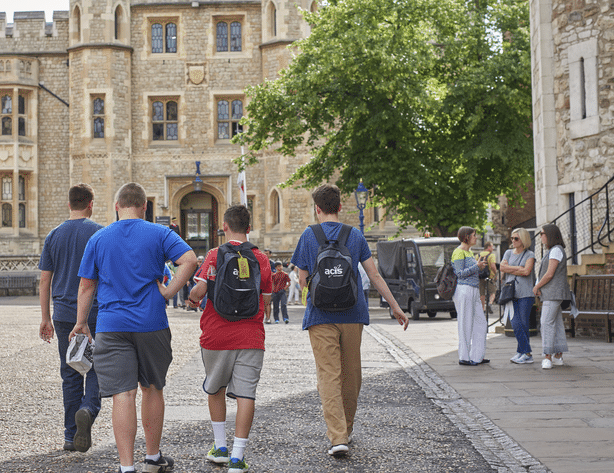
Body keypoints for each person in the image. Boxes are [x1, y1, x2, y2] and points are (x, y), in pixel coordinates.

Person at [71, 182, 197, 473]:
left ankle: (126, 467)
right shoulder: (159, 232)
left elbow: (86, 286)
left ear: (116, 206)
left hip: (112, 325)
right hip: (151, 322)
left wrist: (81, 323)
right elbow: (189, 260)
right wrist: (168, 291)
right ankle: (152, 458)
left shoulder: (99, 238)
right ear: (144, 207)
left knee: (123, 395)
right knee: (152, 388)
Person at [292, 184, 408, 458]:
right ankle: (347, 428)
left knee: (328, 376)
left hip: (320, 316)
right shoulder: (354, 235)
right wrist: (395, 306)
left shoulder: (309, 236)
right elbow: (374, 275)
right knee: (351, 375)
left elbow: (302, 279)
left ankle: (337, 436)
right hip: (353, 313)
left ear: (317, 209)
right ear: (340, 207)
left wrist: (313, 294)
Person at [187, 204, 272, 473]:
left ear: (224, 227)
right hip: (251, 336)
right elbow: (266, 302)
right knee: (246, 394)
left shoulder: (213, 255)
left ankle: (220, 447)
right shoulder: (262, 258)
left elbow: (198, 293)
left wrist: (192, 297)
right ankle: (237, 457)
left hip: (216, 334)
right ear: (249, 228)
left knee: (216, 388)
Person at [39, 183, 104, 452]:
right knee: (98, 368)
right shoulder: (100, 233)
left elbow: (44, 281)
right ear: (90, 204)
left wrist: (45, 318)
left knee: (70, 373)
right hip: (96, 312)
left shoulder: (54, 235)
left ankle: (70, 434)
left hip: (64, 314)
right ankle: (88, 409)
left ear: (69, 204)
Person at [533, 224, 571, 369]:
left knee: (546, 323)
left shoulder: (555, 250)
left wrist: (537, 286)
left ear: (549, 234)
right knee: (556, 323)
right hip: (553, 293)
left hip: (553, 293)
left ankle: (547, 356)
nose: (541, 236)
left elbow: (549, 274)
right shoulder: (553, 250)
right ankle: (558, 356)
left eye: (542, 233)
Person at [452, 227, 489, 366]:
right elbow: (459, 273)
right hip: (464, 290)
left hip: (473, 289)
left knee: (481, 322)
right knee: (465, 323)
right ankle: (464, 357)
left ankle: (477, 356)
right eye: (474, 235)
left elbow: (471, 272)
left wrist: (479, 268)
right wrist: (476, 266)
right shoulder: (458, 252)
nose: (476, 237)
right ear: (466, 237)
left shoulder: (469, 252)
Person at [501, 229, 536, 365]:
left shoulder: (530, 254)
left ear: (523, 240)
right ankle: (525, 352)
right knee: (515, 323)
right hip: (511, 293)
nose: (513, 241)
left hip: (526, 294)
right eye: (512, 238)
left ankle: (523, 353)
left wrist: (510, 267)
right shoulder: (508, 253)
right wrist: (517, 269)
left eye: (516, 238)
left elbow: (526, 271)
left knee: (523, 323)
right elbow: (502, 269)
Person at [478, 242, 498, 313]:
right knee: (493, 292)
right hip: (490, 277)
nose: (493, 248)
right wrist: (496, 274)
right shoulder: (491, 255)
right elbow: (493, 266)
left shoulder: (478, 255)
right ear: (488, 247)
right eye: (492, 246)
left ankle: (483, 308)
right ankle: (489, 304)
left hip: (480, 277)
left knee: (482, 293)